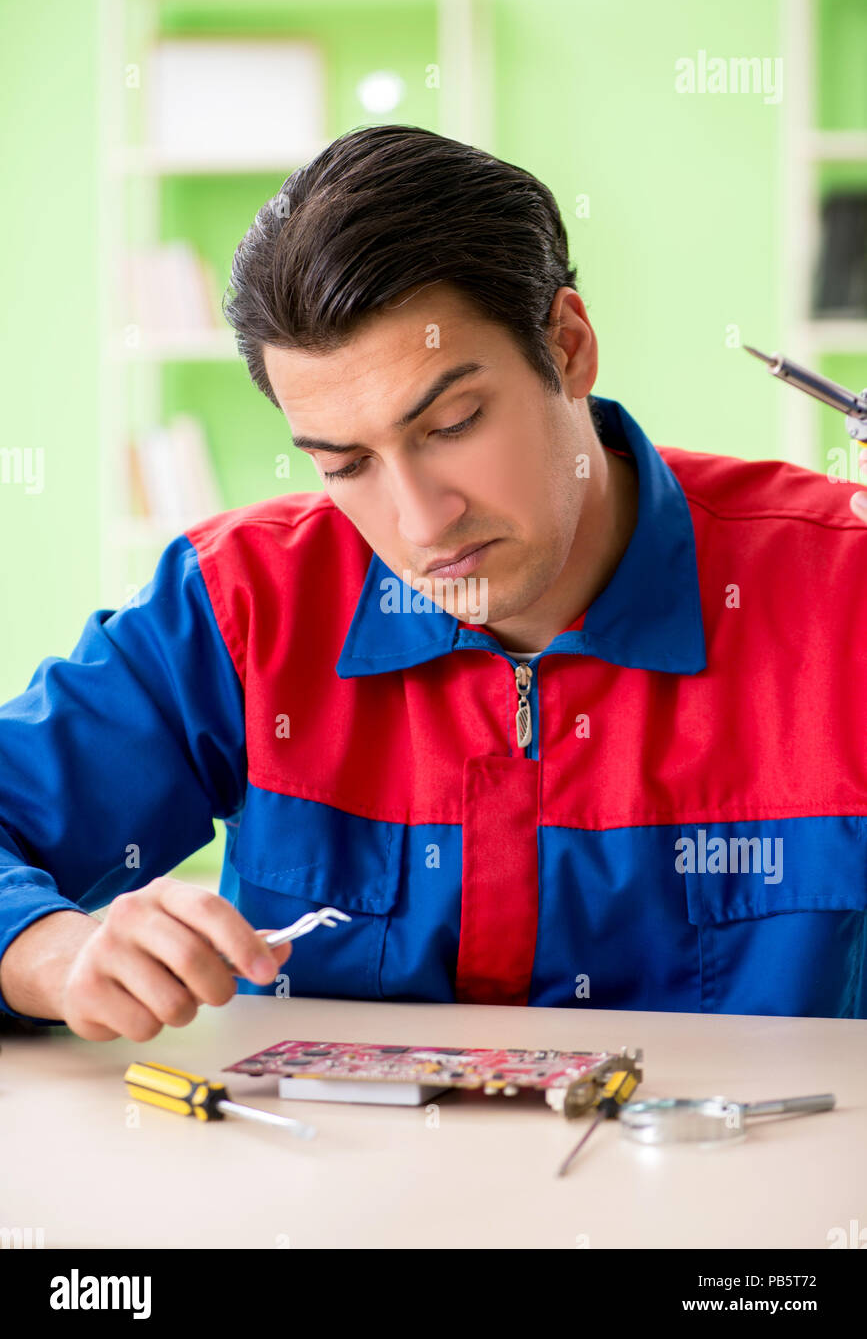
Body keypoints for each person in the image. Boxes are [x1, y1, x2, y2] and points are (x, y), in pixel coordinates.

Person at [2, 124, 866, 1043]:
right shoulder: (239, 603)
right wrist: (53, 953)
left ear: (567, 346)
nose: (418, 523)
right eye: (343, 464)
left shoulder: (842, 589)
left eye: (452, 423)